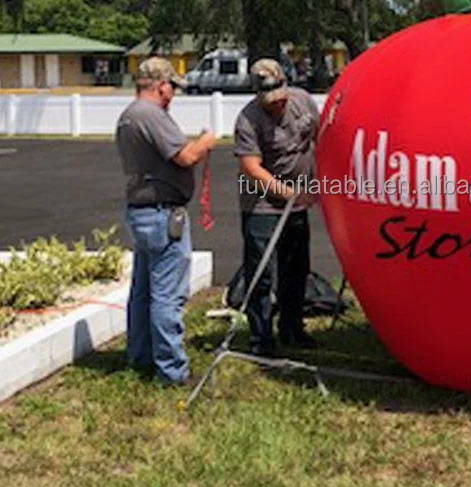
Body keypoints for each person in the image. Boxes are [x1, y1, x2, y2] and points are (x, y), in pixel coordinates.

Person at [115, 57, 216, 384]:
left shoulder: (129, 116)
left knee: (143, 290)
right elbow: (184, 156)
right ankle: (172, 370)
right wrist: (205, 142)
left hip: (142, 211)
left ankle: (141, 355)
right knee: (167, 295)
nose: (173, 94)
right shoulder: (152, 116)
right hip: (162, 215)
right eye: (171, 87)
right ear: (161, 86)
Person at [234, 57, 320, 356]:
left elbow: (320, 138)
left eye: (280, 99)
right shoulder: (248, 119)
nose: (277, 105)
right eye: (269, 101)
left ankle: (293, 328)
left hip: (297, 204)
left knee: (296, 268)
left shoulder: (303, 101)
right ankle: (261, 338)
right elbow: (251, 168)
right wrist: (289, 194)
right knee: (261, 273)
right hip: (262, 205)